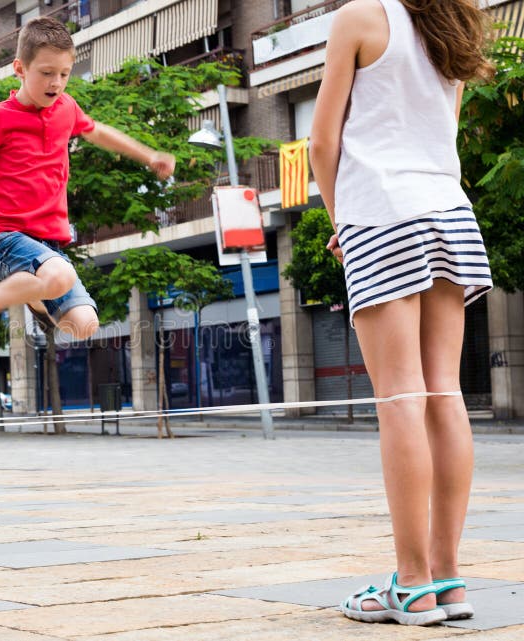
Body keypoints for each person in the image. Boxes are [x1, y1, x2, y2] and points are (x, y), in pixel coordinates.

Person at [309, 0, 494, 627]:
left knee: (400, 400)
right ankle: (446, 577)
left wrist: (342, 223)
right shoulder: (458, 22)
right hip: (449, 209)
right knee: (445, 393)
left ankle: (410, 584)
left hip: (381, 211)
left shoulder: (360, 18)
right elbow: (443, 133)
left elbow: (322, 141)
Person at [0, 16, 175, 367]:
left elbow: (98, 132)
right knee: (60, 275)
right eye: (46, 73)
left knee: (84, 325)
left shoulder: (66, 108)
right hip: (3, 237)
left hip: (49, 246)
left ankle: (35, 294)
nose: (56, 83)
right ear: (20, 69)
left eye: (64, 74)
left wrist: (149, 155)